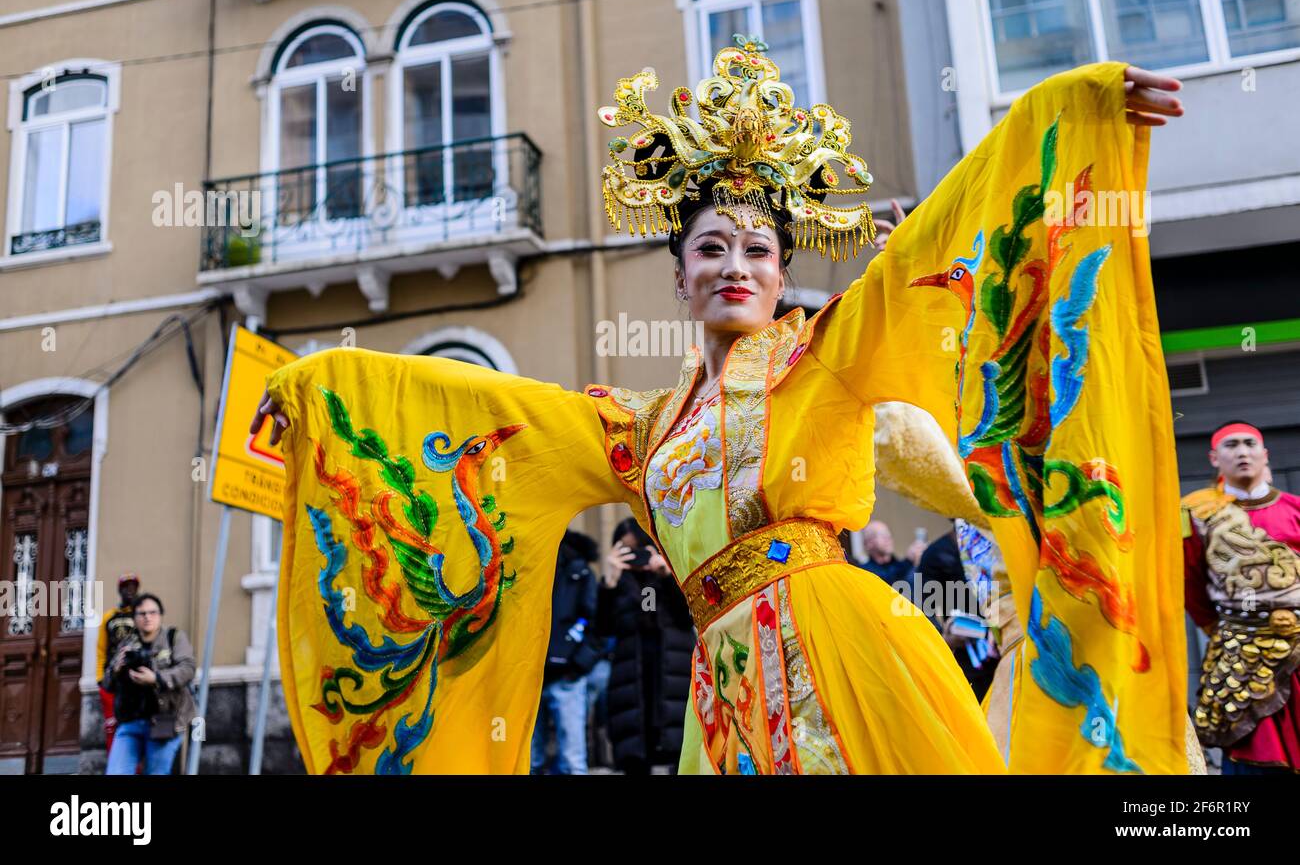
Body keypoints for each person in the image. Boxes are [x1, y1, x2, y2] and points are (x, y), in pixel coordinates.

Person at [253, 41, 1190, 774]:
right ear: (680, 278)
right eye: (712, 249)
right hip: (726, 684)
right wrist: (319, 389)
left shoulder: (821, 351)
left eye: (757, 250)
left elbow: (928, 254)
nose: (735, 266)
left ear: (783, 272)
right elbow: (500, 410)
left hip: (843, 648)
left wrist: (1072, 107)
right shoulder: (647, 427)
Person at [1183, 421, 1300, 774]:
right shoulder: (1198, 515)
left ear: (1265, 454)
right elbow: (1190, 584)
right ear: (1215, 457)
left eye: (1250, 444)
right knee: (1252, 752)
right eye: (1231, 445)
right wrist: (1229, 628)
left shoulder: (1295, 508)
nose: (1243, 452)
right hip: (1240, 652)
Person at [597, 518, 694, 774]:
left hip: (671, 672)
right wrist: (608, 582)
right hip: (631, 677)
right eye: (627, 551)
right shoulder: (616, 582)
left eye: (639, 549)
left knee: (680, 750)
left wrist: (668, 576)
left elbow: (688, 618)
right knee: (635, 753)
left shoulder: (667, 576)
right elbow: (601, 630)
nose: (635, 557)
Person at [531, 530, 603, 774]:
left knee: (572, 758)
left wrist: (578, 665)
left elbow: (597, 624)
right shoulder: (528, 569)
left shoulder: (580, 573)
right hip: (531, 676)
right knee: (529, 758)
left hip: (566, 676)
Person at [102, 594, 196, 775]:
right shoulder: (126, 644)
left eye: (152, 612)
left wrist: (156, 678)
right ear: (134, 618)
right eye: (142, 613)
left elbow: (187, 669)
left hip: (164, 721)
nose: (147, 617)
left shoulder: (173, 637)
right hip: (130, 722)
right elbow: (107, 684)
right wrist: (116, 669)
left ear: (160, 615)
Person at [96, 573, 140, 755]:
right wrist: (100, 677)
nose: (130, 591)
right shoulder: (109, 617)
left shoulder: (140, 615)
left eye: (133, 587)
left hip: (134, 681)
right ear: (119, 590)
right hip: (112, 681)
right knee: (112, 726)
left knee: (134, 726)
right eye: (126, 587)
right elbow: (101, 648)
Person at [856, 521, 913, 591]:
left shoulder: (901, 566)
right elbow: (886, 582)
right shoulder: (864, 572)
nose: (888, 538)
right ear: (868, 543)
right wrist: (908, 562)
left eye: (888, 534)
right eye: (882, 535)